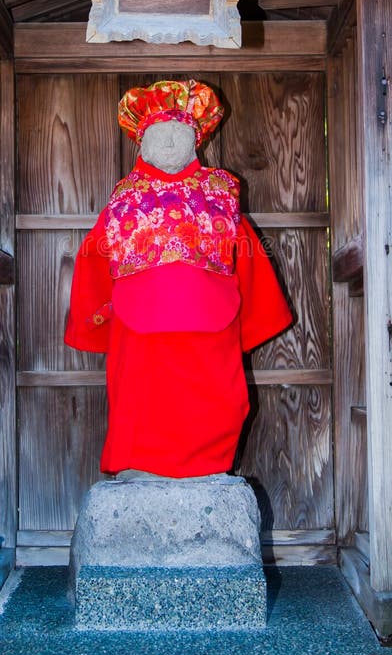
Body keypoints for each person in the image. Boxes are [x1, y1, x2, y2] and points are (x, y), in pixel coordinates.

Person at [64, 79, 292, 478]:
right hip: (137, 328)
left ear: (197, 141)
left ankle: (211, 465)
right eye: (158, 133)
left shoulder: (221, 196)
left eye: (179, 133)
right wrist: (100, 320)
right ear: (141, 144)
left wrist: (250, 320)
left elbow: (248, 260)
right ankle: (137, 463)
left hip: (213, 322)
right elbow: (94, 260)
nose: (169, 142)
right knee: (139, 395)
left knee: (216, 396)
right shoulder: (122, 201)